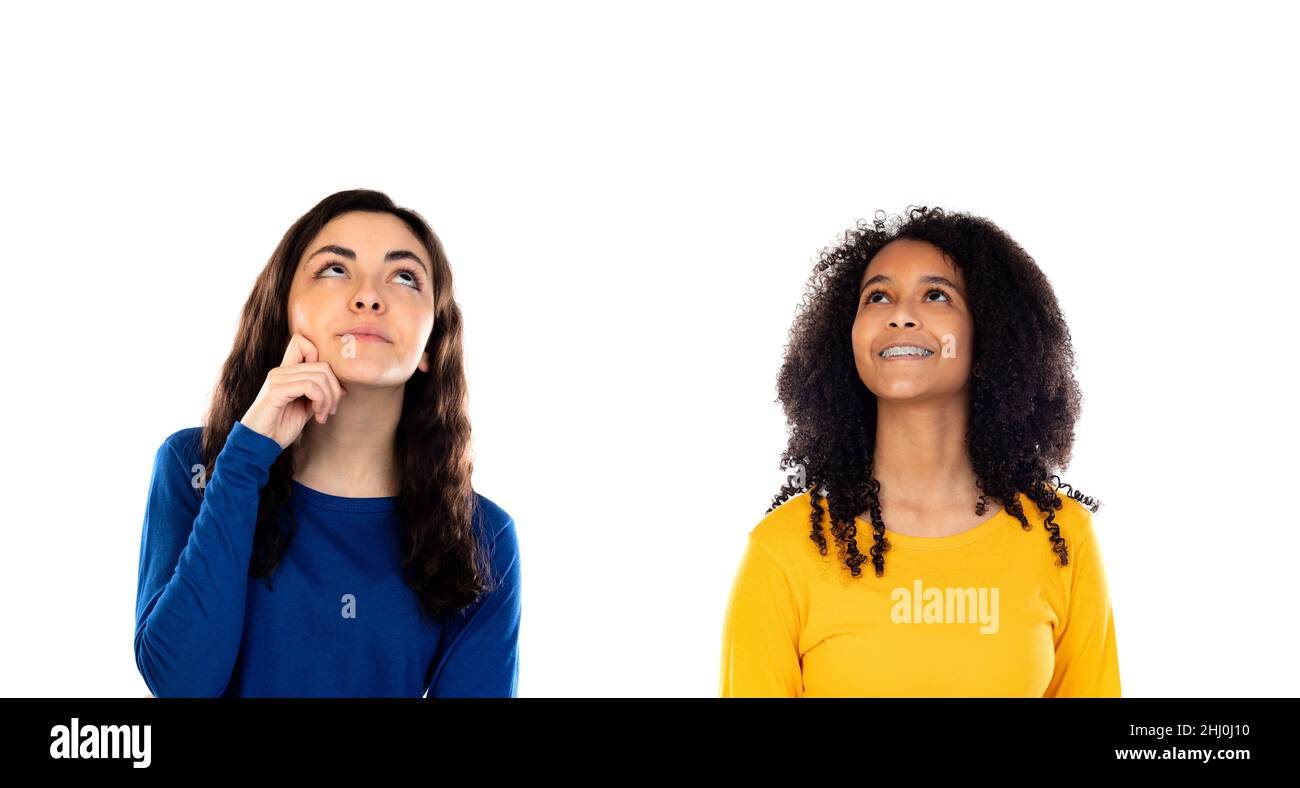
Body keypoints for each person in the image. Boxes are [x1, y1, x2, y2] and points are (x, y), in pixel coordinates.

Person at [135, 189, 520, 697]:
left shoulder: (481, 536)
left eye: (404, 277)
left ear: (430, 345)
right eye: (336, 269)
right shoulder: (194, 468)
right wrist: (246, 455)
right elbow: (180, 684)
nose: (369, 296)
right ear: (286, 312)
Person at [720, 206, 1119, 697]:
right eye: (878, 297)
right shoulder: (782, 552)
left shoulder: (1062, 541)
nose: (901, 315)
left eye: (935, 295)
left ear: (988, 334)